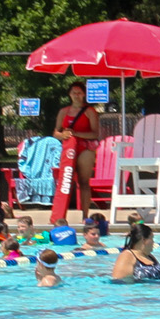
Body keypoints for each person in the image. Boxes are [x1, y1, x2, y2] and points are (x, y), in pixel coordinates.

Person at [54, 82, 104, 223]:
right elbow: (56, 132)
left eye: (79, 92)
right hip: (69, 148)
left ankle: (85, 215)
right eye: (74, 92)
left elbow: (95, 134)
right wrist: (62, 135)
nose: (76, 95)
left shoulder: (89, 111)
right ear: (69, 94)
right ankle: (60, 216)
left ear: (84, 94)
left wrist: (76, 134)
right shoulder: (64, 111)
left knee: (83, 182)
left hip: (85, 148)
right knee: (66, 181)